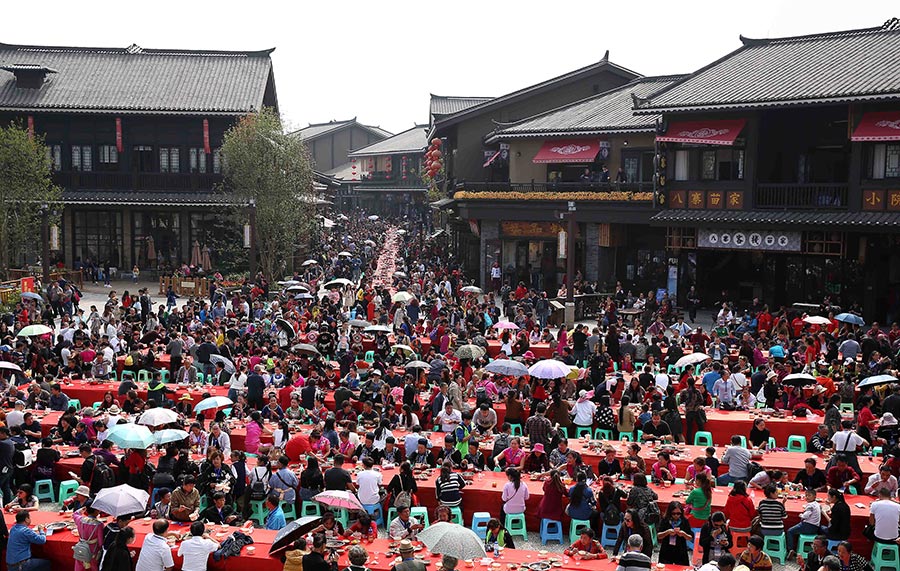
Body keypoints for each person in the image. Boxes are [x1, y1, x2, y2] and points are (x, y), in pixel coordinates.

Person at [787, 488, 824, 555]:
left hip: (808, 526)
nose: (807, 497)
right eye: (806, 495)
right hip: (816, 527)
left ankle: (790, 549)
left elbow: (806, 516)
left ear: (814, 496)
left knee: (790, 531)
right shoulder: (817, 504)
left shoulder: (810, 505)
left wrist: (801, 515)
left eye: (809, 495)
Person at [73, 502, 105, 571]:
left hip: (81, 546)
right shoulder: (99, 524)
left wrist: (82, 509)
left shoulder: (80, 519)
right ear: (96, 511)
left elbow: (75, 514)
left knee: (79, 565)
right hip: (93, 550)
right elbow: (100, 542)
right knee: (94, 566)